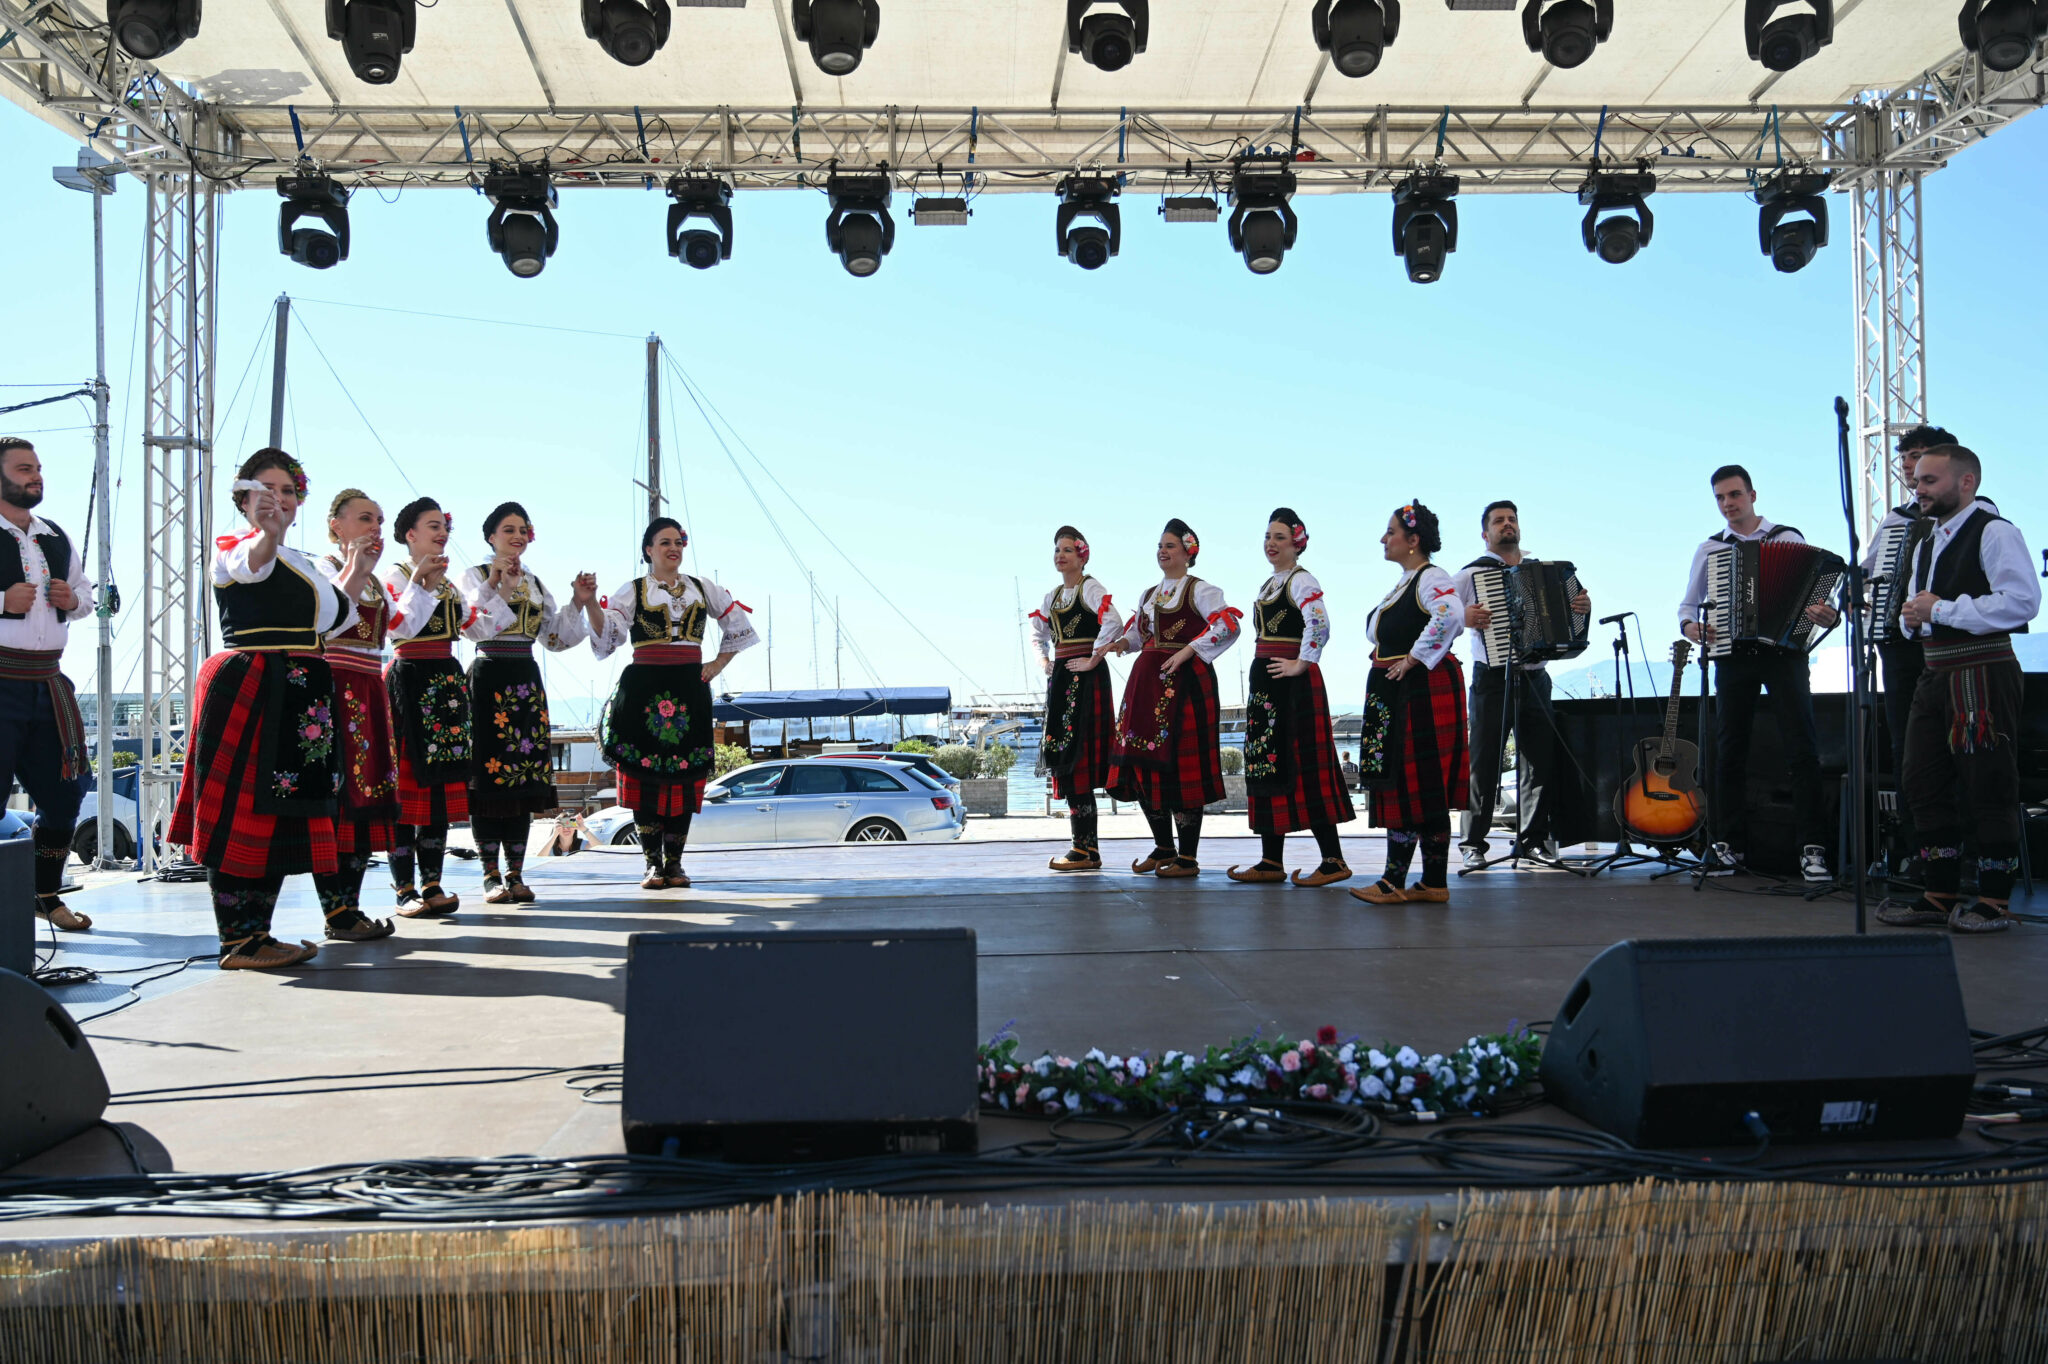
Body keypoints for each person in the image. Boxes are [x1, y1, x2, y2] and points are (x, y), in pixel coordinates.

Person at [167, 448, 378, 969]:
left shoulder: (300, 561)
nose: (278, 500)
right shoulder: (234, 547)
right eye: (267, 491)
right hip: (253, 681)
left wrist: (356, 569)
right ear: (244, 497)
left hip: (302, 686)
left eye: (287, 492)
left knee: (286, 810)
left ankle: (256, 935)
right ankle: (237, 939)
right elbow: (252, 566)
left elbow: (332, 619)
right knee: (245, 805)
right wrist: (268, 531)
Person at [1875, 445, 2039, 934]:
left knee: (1988, 783)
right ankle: (1939, 892)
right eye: (1917, 480)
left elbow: (2022, 602)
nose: (1917, 489)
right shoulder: (1926, 541)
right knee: (1921, 780)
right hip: (1934, 671)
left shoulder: (1995, 531)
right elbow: (1920, 610)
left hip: (1982, 672)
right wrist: (1911, 619)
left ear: (1965, 483)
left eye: (1929, 481)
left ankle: (1994, 899)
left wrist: (1940, 610)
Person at [1677, 464, 1839, 881]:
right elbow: (1687, 607)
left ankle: (1812, 848)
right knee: (1728, 749)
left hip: (1784, 653)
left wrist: (1825, 615)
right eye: (1720, 498)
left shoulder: (1788, 539)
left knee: (1801, 747)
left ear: (1752, 495)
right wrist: (1692, 627)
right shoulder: (1710, 549)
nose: (1728, 504)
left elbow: (1815, 601)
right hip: (1731, 655)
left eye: (1734, 495)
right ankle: (1727, 845)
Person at [590, 518, 757, 890]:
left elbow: (738, 627)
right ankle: (652, 864)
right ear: (648, 550)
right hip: (644, 688)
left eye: (679, 541)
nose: (674, 547)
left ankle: (676, 863)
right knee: (644, 774)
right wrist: (590, 606)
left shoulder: (702, 588)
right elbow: (609, 637)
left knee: (685, 775)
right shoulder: (632, 591)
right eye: (665, 542)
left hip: (688, 688)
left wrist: (715, 665)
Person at [457, 503, 597, 905]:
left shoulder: (534, 582)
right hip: (487, 677)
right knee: (487, 779)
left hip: (525, 678)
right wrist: (500, 584)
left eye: (522, 530)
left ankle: (515, 874)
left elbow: (553, 637)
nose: (517, 536)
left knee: (522, 779)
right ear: (491, 536)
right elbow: (472, 625)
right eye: (508, 530)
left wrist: (577, 601)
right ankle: (489, 876)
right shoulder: (475, 576)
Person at [1452, 499, 1590, 869]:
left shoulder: (1542, 571)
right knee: (1484, 760)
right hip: (1492, 677)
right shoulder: (1470, 575)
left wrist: (1580, 608)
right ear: (1485, 534)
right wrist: (1464, 615)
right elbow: (1441, 614)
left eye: (1511, 519)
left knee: (1538, 761)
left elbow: (1572, 610)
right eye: (1499, 521)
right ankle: (1472, 843)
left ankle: (1532, 840)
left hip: (1535, 676)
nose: (1507, 525)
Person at [1106, 518, 1241, 878]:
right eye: (1160, 546)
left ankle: (1188, 856)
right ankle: (1164, 847)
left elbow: (1228, 626)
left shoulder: (1201, 591)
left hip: (1184, 686)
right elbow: (1138, 635)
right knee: (1142, 762)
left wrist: (1190, 651)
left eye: (1170, 546)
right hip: (1146, 684)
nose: (1163, 552)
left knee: (1182, 768)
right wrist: (1121, 643)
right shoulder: (1149, 594)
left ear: (1188, 552)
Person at [382, 496, 497, 917]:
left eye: (444, 527)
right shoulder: (393, 576)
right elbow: (399, 626)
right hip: (409, 678)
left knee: (439, 788)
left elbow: (482, 626)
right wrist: (420, 583)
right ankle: (404, 890)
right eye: (433, 526)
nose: (442, 534)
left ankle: (431, 883)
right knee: (407, 784)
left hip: (446, 680)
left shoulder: (449, 584)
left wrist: (494, 584)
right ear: (410, 534)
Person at [1228, 508, 1354, 886]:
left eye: (1279, 537)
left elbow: (1320, 622)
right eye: (1268, 536)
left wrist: (1303, 662)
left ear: (1296, 543)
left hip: (1292, 687)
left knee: (1305, 768)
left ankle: (1333, 859)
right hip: (1268, 685)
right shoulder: (1271, 583)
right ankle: (1271, 860)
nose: (1271, 543)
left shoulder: (1301, 580)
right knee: (1267, 764)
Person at [1352, 502, 1469, 905]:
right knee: (1422, 785)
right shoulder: (1407, 581)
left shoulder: (1431, 576)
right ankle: (1433, 882)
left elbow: (1451, 614)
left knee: (1412, 783)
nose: (1384, 539)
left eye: (1391, 531)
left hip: (1419, 689)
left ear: (1413, 540)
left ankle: (1394, 881)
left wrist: (1415, 657)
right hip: (1401, 690)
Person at [0, 437, 94, 931]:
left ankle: (45, 892)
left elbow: (85, 596)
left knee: (65, 793)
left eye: (36, 468)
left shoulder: (53, 535)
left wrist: (69, 598)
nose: (35, 476)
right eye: (23, 469)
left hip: (46, 680)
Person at [309, 490, 400, 942]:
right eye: (365, 519)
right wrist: (357, 567)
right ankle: (336, 910)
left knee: (368, 799)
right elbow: (327, 619)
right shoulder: (324, 569)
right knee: (340, 798)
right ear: (337, 526)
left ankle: (352, 906)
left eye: (379, 520)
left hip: (370, 688)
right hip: (336, 688)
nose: (375, 528)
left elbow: (405, 628)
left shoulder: (378, 583)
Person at [1030, 526, 1124, 872]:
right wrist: (1044, 661)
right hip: (1063, 677)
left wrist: (1094, 658)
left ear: (1082, 555)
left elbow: (1112, 622)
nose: (1060, 555)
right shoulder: (1053, 597)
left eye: (1068, 550)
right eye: (1057, 550)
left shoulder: (1090, 587)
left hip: (1085, 678)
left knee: (1080, 757)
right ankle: (1083, 848)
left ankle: (1086, 849)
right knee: (1066, 757)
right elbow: (1037, 633)